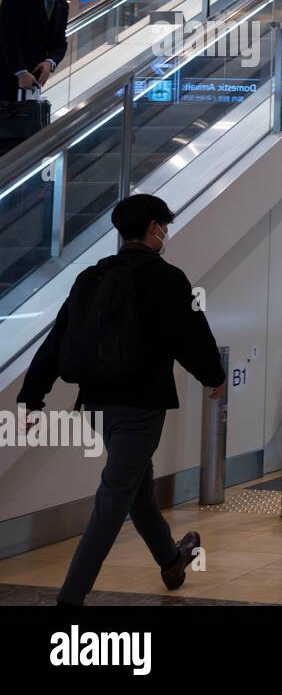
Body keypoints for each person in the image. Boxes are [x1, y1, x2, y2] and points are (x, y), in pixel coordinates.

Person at [18, 194, 227, 606]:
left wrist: (33, 395)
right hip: (140, 406)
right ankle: (70, 599)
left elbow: (58, 338)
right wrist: (213, 377)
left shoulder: (92, 276)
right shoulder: (167, 278)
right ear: (153, 228)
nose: (165, 232)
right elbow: (190, 334)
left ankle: (171, 560)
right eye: (163, 226)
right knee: (114, 497)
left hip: (96, 404)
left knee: (136, 487)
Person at [0, 0, 78, 154]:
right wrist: (20, 71)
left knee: (23, 132)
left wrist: (49, 63)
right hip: (7, 74)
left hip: (33, 80)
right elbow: (7, 35)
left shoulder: (61, 6)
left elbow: (59, 43)